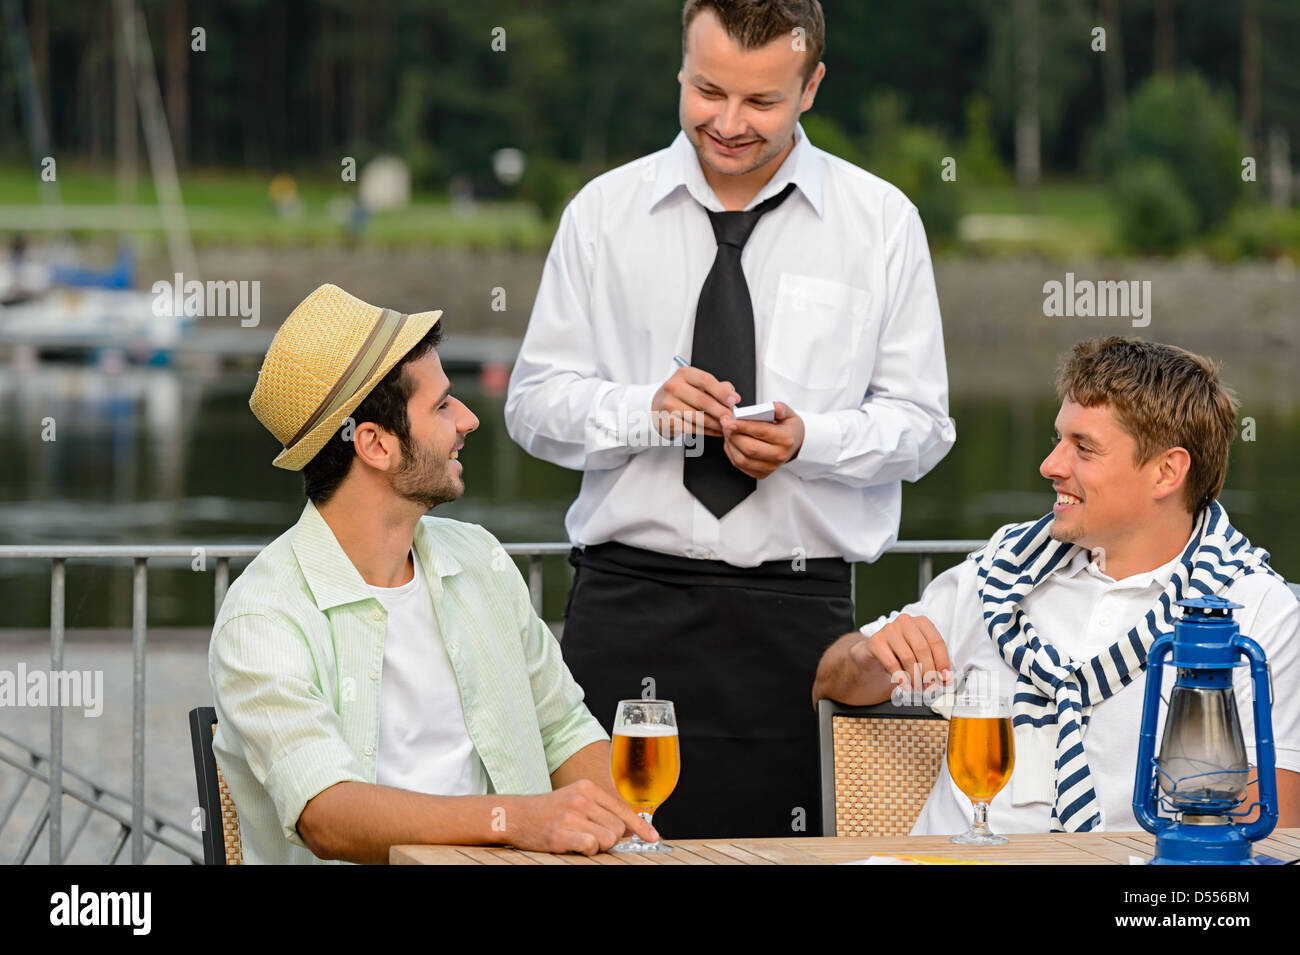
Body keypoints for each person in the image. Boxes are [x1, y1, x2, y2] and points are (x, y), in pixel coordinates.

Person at [505, 0, 954, 838]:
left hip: (800, 626)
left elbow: (923, 425)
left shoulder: (883, 224)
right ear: (681, 68)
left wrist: (808, 441)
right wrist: (644, 411)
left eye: (761, 102)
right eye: (708, 90)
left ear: (812, 84)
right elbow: (531, 407)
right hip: (622, 612)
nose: (729, 123)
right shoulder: (600, 215)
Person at [209, 284, 656, 864]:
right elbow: (327, 813)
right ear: (374, 444)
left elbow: (566, 729)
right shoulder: (262, 616)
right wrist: (516, 820)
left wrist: (620, 828)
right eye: (443, 405)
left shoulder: (482, 560)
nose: (468, 419)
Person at [813, 337, 1300, 833]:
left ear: (1166, 472)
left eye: (1083, 448)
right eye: (1057, 441)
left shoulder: (1254, 613)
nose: (1051, 467)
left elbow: (1269, 833)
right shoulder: (1002, 569)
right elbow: (829, 681)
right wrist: (868, 657)